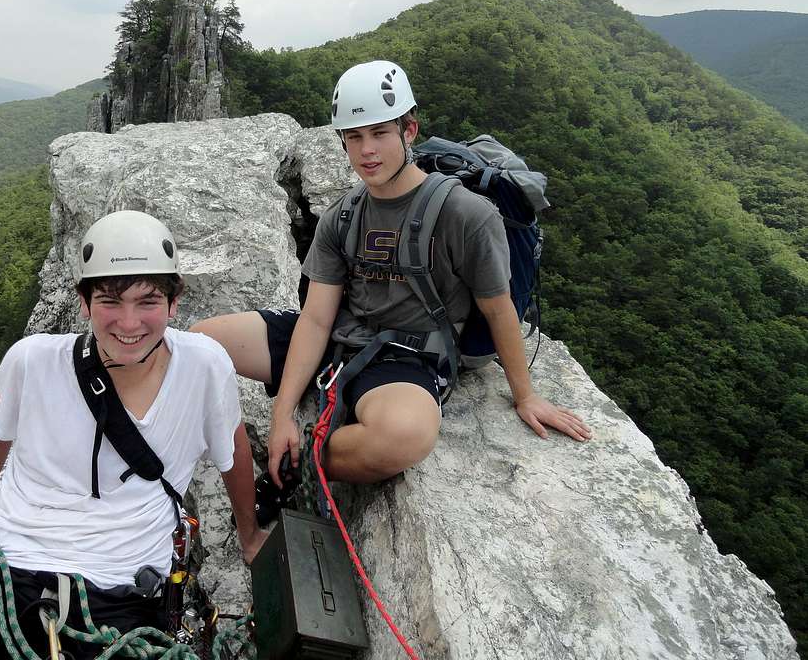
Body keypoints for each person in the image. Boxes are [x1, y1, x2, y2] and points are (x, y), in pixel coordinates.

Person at [0, 210, 264, 660]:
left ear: (174, 302)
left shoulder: (204, 366)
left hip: (119, 585)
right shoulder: (32, 361)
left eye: (147, 301)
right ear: (84, 303)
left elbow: (233, 453)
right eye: (110, 301)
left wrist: (249, 537)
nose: (128, 324)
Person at [192, 60, 591, 507]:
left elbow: (499, 310)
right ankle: (284, 436)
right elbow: (318, 318)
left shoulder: (467, 216)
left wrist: (526, 396)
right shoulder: (342, 214)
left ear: (410, 130)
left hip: (407, 356)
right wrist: (282, 413)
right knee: (198, 344)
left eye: (380, 133)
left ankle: (303, 464)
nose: (367, 151)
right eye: (354, 137)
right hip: (339, 338)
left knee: (404, 437)